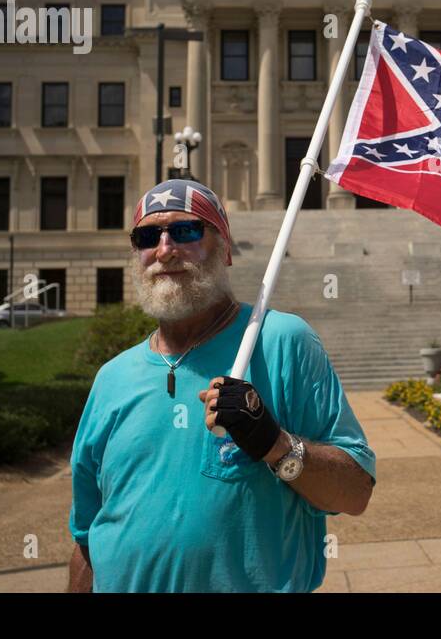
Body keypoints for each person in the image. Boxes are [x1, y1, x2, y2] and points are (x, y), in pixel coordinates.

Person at [67, 178, 375, 592]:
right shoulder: (112, 378)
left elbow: (355, 492)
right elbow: (88, 540)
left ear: (225, 248)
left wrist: (276, 445)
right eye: (147, 237)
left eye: (186, 231)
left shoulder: (281, 341)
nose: (164, 250)